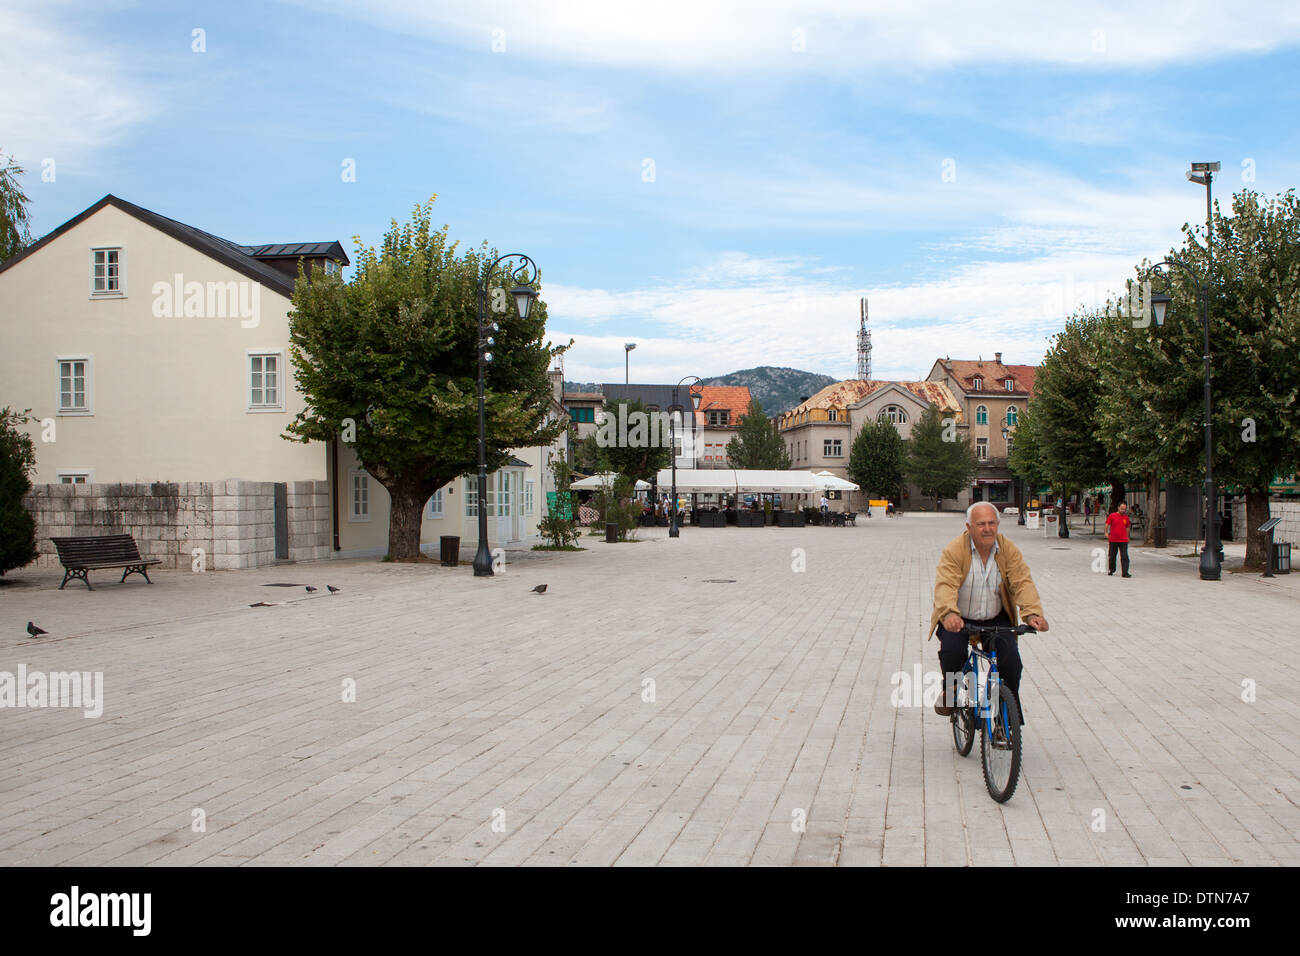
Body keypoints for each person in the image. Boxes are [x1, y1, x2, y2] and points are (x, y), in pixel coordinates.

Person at [931, 502, 1049, 723]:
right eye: (981, 524)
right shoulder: (955, 550)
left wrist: (1032, 614)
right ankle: (951, 689)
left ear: (998, 524)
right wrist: (948, 613)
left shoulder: (1008, 549)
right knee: (952, 652)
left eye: (992, 523)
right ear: (969, 527)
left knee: (1011, 664)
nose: (987, 529)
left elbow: (1022, 582)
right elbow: (945, 584)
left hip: (995, 618)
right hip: (959, 617)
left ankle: (1005, 719)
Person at [1105, 501, 1132, 577]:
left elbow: (1127, 527)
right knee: (1112, 556)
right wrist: (1106, 533)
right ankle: (1111, 569)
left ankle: (1125, 572)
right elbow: (1107, 524)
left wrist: (1128, 536)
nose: (1123, 510)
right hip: (1113, 539)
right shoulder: (1112, 516)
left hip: (1123, 540)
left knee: (1124, 556)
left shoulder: (1126, 518)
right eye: (1122, 509)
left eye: (1124, 509)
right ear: (1118, 508)